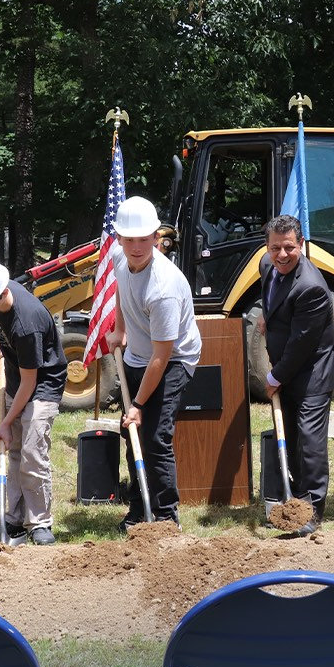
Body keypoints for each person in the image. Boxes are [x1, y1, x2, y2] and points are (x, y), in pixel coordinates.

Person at [106, 196, 202, 531]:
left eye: (143, 239)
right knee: (131, 432)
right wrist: (120, 329)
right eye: (129, 239)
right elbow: (121, 287)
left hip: (174, 359)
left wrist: (138, 404)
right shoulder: (121, 256)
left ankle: (165, 516)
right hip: (138, 354)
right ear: (119, 238)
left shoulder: (164, 288)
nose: (135, 247)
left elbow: (162, 357)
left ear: (156, 238)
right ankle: (137, 509)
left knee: (155, 437)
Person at [0, 255, 67, 545]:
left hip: (42, 384)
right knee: (16, 451)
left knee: (32, 452)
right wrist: (2, 350)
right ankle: (13, 519)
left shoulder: (26, 323)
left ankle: (40, 522)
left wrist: (6, 420)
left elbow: (31, 381)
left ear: (1, 294)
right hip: (19, 376)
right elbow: (3, 329)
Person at [258, 213, 334, 536]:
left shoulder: (311, 288)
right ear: (267, 247)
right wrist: (266, 317)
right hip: (288, 370)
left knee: (309, 441)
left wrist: (273, 377)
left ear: (301, 245)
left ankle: (312, 510)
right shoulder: (268, 267)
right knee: (290, 436)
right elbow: (271, 298)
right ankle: (292, 498)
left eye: (289, 248)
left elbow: (300, 346)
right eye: (276, 247)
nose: (282, 255)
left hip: (312, 373)